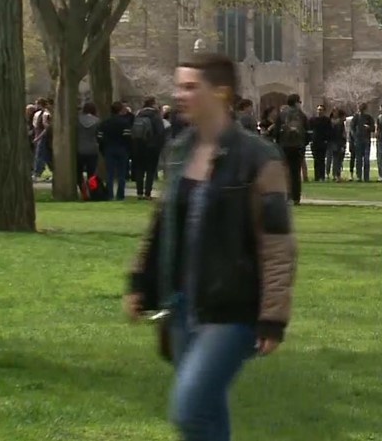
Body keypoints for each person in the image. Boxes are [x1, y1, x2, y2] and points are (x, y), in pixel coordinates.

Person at [124, 52, 297, 441]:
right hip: (184, 303)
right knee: (207, 417)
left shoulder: (259, 159)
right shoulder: (179, 151)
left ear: (220, 93)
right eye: (179, 85)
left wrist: (273, 315)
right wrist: (140, 281)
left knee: (188, 408)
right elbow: (163, 224)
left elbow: (277, 244)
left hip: (232, 309)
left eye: (189, 87)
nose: (179, 94)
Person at [272, 94, 308, 205]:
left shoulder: (281, 114)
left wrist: (279, 143)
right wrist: (304, 144)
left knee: (285, 172)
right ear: (296, 102)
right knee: (296, 172)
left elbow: (276, 132)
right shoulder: (302, 115)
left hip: (285, 146)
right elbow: (307, 131)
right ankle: (296, 197)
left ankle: (286, 196)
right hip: (298, 146)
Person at [98, 102, 134, 201]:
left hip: (109, 149)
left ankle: (109, 194)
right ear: (120, 110)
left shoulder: (105, 123)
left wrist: (103, 149)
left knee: (109, 174)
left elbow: (100, 138)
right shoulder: (124, 123)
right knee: (121, 174)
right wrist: (129, 149)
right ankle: (120, 195)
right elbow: (128, 138)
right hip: (122, 149)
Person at [76, 102, 101, 200]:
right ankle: (92, 192)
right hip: (92, 149)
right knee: (92, 173)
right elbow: (98, 136)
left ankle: (83, 191)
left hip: (80, 148)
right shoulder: (97, 121)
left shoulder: (78, 120)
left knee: (79, 172)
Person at [351, 103, 375, 182]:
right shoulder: (356, 117)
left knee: (366, 159)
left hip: (366, 140)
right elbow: (352, 128)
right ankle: (359, 176)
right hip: (358, 140)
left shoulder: (368, 117)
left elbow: (373, 128)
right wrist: (354, 137)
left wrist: (369, 127)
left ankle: (366, 176)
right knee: (358, 159)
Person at [308, 105, 331, 183]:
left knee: (322, 160)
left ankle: (322, 176)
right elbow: (309, 130)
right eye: (318, 110)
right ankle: (316, 176)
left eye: (321, 110)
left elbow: (329, 131)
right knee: (316, 160)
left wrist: (327, 140)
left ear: (324, 111)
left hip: (323, 142)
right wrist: (310, 140)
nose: (319, 111)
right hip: (314, 142)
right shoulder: (312, 120)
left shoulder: (327, 120)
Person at [328, 108, 347, 183]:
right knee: (336, 159)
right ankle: (336, 175)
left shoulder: (337, 122)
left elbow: (343, 133)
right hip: (335, 142)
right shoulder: (335, 122)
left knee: (338, 160)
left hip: (338, 142)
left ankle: (336, 174)